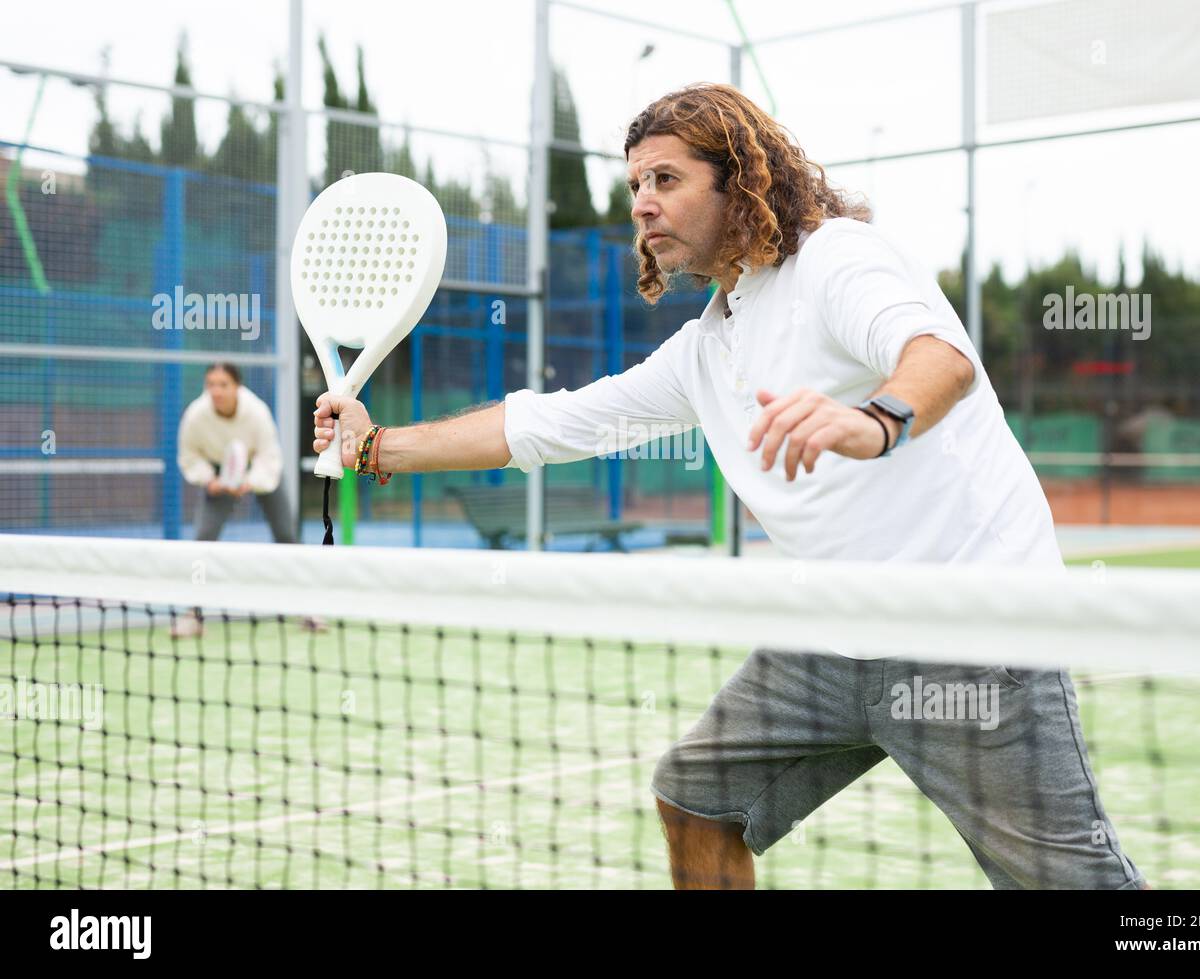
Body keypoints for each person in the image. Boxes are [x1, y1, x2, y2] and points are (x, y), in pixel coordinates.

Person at [312, 83, 1147, 891]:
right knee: (695, 798)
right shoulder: (707, 346)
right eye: (636, 183)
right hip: (834, 637)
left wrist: (877, 419)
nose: (642, 203)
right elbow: (549, 424)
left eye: (666, 179)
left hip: (970, 635)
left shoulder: (837, 261)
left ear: (741, 183)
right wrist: (377, 445)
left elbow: (941, 356)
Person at [175, 362, 308, 637]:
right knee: (203, 540)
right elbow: (189, 456)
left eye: (223, 385)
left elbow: (269, 456)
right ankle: (193, 613)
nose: (216, 391)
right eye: (210, 384)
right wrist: (209, 480)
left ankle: (307, 607)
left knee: (286, 534)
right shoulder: (195, 416)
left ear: (237, 387)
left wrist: (250, 482)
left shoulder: (257, 412)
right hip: (217, 475)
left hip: (259, 470)